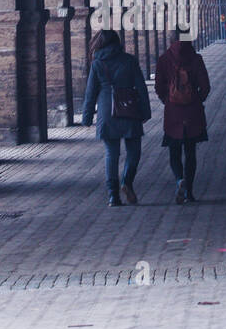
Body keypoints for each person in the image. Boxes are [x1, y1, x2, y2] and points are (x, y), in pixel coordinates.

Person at [81, 29, 151, 207]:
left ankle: (113, 195)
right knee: (134, 152)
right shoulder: (129, 60)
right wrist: (145, 111)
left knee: (111, 154)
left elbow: (90, 93)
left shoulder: (97, 64)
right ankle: (127, 182)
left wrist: (87, 116)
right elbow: (141, 88)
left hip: (107, 112)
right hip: (129, 108)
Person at [154, 28, 211, 204]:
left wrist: (169, 101)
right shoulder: (196, 59)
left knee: (174, 151)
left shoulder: (164, 60)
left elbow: (158, 87)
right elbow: (206, 86)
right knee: (191, 152)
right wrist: (196, 100)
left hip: (173, 113)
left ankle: (179, 180)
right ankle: (189, 193)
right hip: (193, 112)